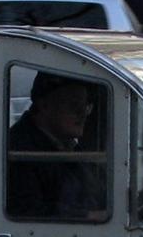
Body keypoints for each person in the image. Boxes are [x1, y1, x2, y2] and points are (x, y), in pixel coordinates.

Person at [6, 72, 106, 219]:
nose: (82, 114)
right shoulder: (20, 153)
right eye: (74, 106)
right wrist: (89, 216)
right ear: (45, 105)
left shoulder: (68, 146)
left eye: (86, 106)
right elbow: (29, 212)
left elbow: (96, 188)